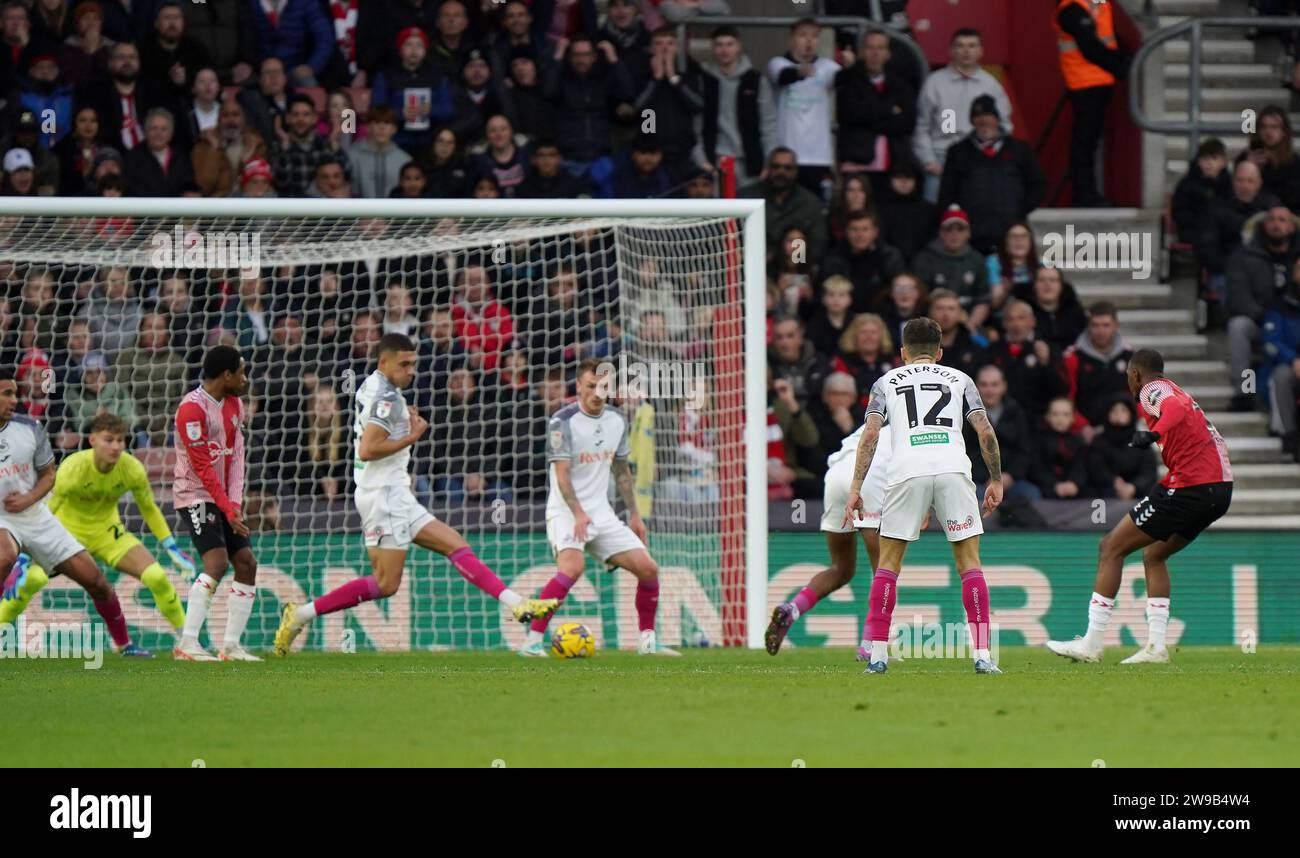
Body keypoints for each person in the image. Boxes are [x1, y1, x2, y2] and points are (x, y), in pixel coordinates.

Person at [274, 334, 558, 655]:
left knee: (457, 545)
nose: (411, 371)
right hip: (384, 496)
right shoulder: (388, 398)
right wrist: (412, 435)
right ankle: (300, 614)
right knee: (385, 584)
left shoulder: (374, 385)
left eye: (413, 364)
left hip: (393, 492)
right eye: (404, 364)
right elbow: (368, 449)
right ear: (384, 362)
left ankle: (518, 605)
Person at [1048, 348, 1233, 665]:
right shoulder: (1177, 389)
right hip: (1220, 490)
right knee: (1154, 554)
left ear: (1134, 375)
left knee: (1110, 547)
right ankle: (1156, 647)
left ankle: (1091, 643)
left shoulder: (1152, 389)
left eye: (1128, 378)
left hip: (1189, 486)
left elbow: (1170, 409)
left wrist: (1154, 433)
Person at [843, 317, 1004, 674]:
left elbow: (869, 435)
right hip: (953, 469)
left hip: (906, 471)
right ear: (940, 353)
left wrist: (855, 489)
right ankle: (982, 656)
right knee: (969, 563)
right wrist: (995, 479)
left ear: (902, 353)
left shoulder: (885, 382)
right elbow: (984, 430)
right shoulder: (960, 379)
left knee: (888, 564)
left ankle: (879, 656)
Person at [517, 359, 673, 656]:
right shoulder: (562, 422)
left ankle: (648, 642)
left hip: (601, 513)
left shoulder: (616, 420)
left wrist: (635, 514)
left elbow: (622, 471)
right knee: (573, 568)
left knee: (648, 569)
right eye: (591, 386)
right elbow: (561, 475)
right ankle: (532, 641)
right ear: (578, 386)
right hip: (566, 510)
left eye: (603, 387)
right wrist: (577, 513)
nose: (597, 393)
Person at [0, 413, 195, 646]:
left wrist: (170, 545)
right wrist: (25, 554)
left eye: (120, 441)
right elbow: (49, 508)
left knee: (157, 577)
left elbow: (149, 508)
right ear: (92, 440)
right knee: (30, 581)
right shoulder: (73, 468)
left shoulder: (132, 469)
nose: (115, 447)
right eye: (108, 440)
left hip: (107, 532)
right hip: (65, 532)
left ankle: (187, 642)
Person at [0, 369, 150, 658]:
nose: (14, 400)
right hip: (2, 519)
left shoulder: (30, 428)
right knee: (5, 556)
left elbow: (49, 474)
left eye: (15, 393)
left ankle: (124, 644)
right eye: (6, 393)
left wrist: (28, 499)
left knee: (97, 582)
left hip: (36, 516)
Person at [765, 396, 892, 659]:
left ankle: (792, 609)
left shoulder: (871, 423)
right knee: (885, 570)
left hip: (834, 478)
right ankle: (871, 644)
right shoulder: (910, 431)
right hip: (866, 479)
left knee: (841, 569)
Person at [170, 346, 261, 662]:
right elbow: (201, 466)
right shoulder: (191, 410)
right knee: (218, 562)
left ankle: (232, 647)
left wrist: (233, 504)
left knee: (247, 563)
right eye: (241, 371)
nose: (245, 378)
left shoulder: (235, 405)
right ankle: (187, 643)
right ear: (227, 375)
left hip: (222, 498)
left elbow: (237, 456)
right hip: (194, 494)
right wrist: (226, 507)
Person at [913, 28, 1012, 202]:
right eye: (960, 46)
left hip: (979, 158)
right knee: (934, 216)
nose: (966, 51)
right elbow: (921, 127)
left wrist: (991, 155)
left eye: (972, 46)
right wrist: (928, 161)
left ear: (981, 51)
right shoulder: (935, 83)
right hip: (941, 158)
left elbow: (1004, 126)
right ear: (951, 51)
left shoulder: (991, 85)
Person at [938, 94, 1046, 254]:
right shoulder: (958, 152)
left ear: (997, 119)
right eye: (977, 116)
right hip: (972, 236)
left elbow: (1039, 184)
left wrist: (1019, 211)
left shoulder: (1019, 149)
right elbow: (946, 193)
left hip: (1011, 235)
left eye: (988, 115)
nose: (983, 121)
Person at [1054, 0, 1130, 207]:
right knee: (1084, 142)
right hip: (1084, 83)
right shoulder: (1071, 8)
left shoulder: (1099, 3)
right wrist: (1121, 66)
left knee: (1089, 141)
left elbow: (1111, 37)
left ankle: (1088, 194)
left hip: (1100, 80)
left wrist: (1125, 60)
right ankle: (1084, 196)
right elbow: (1090, 47)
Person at [1225, 205, 1300, 411]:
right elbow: (1238, 296)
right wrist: (1267, 320)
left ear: (1292, 227)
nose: (1277, 225)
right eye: (1272, 220)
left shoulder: (1297, 257)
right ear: (1264, 225)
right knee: (1238, 326)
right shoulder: (1245, 255)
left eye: (1283, 220)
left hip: (1293, 322)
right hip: (1260, 321)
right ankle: (1244, 392)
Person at [834, 28, 917, 199]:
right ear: (862, 52)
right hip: (858, 165)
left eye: (880, 48)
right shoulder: (850, 80)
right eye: (870, 48)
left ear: (888, 53)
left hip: (893, 165)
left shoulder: (900, 84)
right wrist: (888, 110)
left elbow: (907, 122)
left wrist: (869, 117)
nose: (875, 53)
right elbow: (850, 114)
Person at [766, 17, 839, 198]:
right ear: (792, 39)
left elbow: (843, 78)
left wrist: (853, 65)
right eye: (803, 35)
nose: (809, 41)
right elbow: (783, 76)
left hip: (819, 156)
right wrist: (800, 72)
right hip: (788, 156)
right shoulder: (777, 63)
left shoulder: (827, 67)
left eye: (814, 36)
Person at [699, 24, 773, 191]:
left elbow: (769, 123)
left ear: (739, 47)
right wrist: (701, 158)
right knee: (725, 215)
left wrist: (769, 160)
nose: (724, 50)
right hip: (718, 160)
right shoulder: (705, 81)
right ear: (713, 48)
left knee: (750, 214)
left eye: (729, 44)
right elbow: (697, 122)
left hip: (750, 160)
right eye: (719, 45)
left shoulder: (756, 80)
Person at [912, 205, 991, 329]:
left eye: (960, 229)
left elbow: (983, 299)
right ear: (940, 232)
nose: (954, 234)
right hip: (932, 322)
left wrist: (971, 325)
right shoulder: (925, 259)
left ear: (968, 233)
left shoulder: (977, 260)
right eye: (949, 229)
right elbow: (919, 298)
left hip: (968, 320)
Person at [745, 148, 829, 261]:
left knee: (797, 238)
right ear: (768, 169)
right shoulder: (747, 197)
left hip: (795, 266)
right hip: (753, 264)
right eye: (776, 167)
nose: (781, 172)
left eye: (787, 168)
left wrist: (794, 265)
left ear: (796, 171)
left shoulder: (810, 203)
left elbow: (818, 243)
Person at [818, 209, 905, 313]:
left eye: (865, 229)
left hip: (881, 315)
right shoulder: (833, 258)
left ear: (875, 233)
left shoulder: (889, 257)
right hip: (843, 315)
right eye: (854, 229)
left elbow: (895, 291)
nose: (859, 235)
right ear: (846, 232)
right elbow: (825, 292)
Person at [1063, 300, 1133, 427]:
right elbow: (1068, 398)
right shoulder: (1072, 357)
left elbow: (1138, 397)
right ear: (1088, 326)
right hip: (1085, 429)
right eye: (1095, 325)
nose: (1100, 331)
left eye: (1106, 325)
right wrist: (1082, 426)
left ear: (1116, 326)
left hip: (1122, 426)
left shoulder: (1130, 356)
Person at [1086, 396, 1157, 499]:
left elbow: (1148, 472)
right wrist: (1113, 481)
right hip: (1107, 488)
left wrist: (1134, 487)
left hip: (1137, 490)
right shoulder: (1098, 442)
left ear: (1131, 414)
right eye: (1113, 410)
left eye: (1123, 410)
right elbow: (1096, 468)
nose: (1118, 414)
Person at [1262, 276, 1300, 460]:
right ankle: (1289, 436)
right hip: (1287, 366)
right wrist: (1293, 359)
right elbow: (1270, 342)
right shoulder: (1280, 306)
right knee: (1280, 377)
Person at [1172, 138, 1230, 244]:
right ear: (1198, 161)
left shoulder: (1231, 184)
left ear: (1223, 162)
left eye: (1214, 158)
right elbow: (1180, 213)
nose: (1210, 163)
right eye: (1205, 159)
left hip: (1223, 231)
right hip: (1194, 231)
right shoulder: (1186, 184)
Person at [1031, 397, 1089, 499]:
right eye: (1055, 414)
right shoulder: (1038, 439)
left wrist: (1074, 483)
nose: (1060, 419)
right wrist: (1054, 485)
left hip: (1073, 486)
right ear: (1047, 417)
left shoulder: (1078, 441)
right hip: (1046, 485)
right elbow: (1037, 467)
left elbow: (1081, 465)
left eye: (1065, 415)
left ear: (1073, 418)